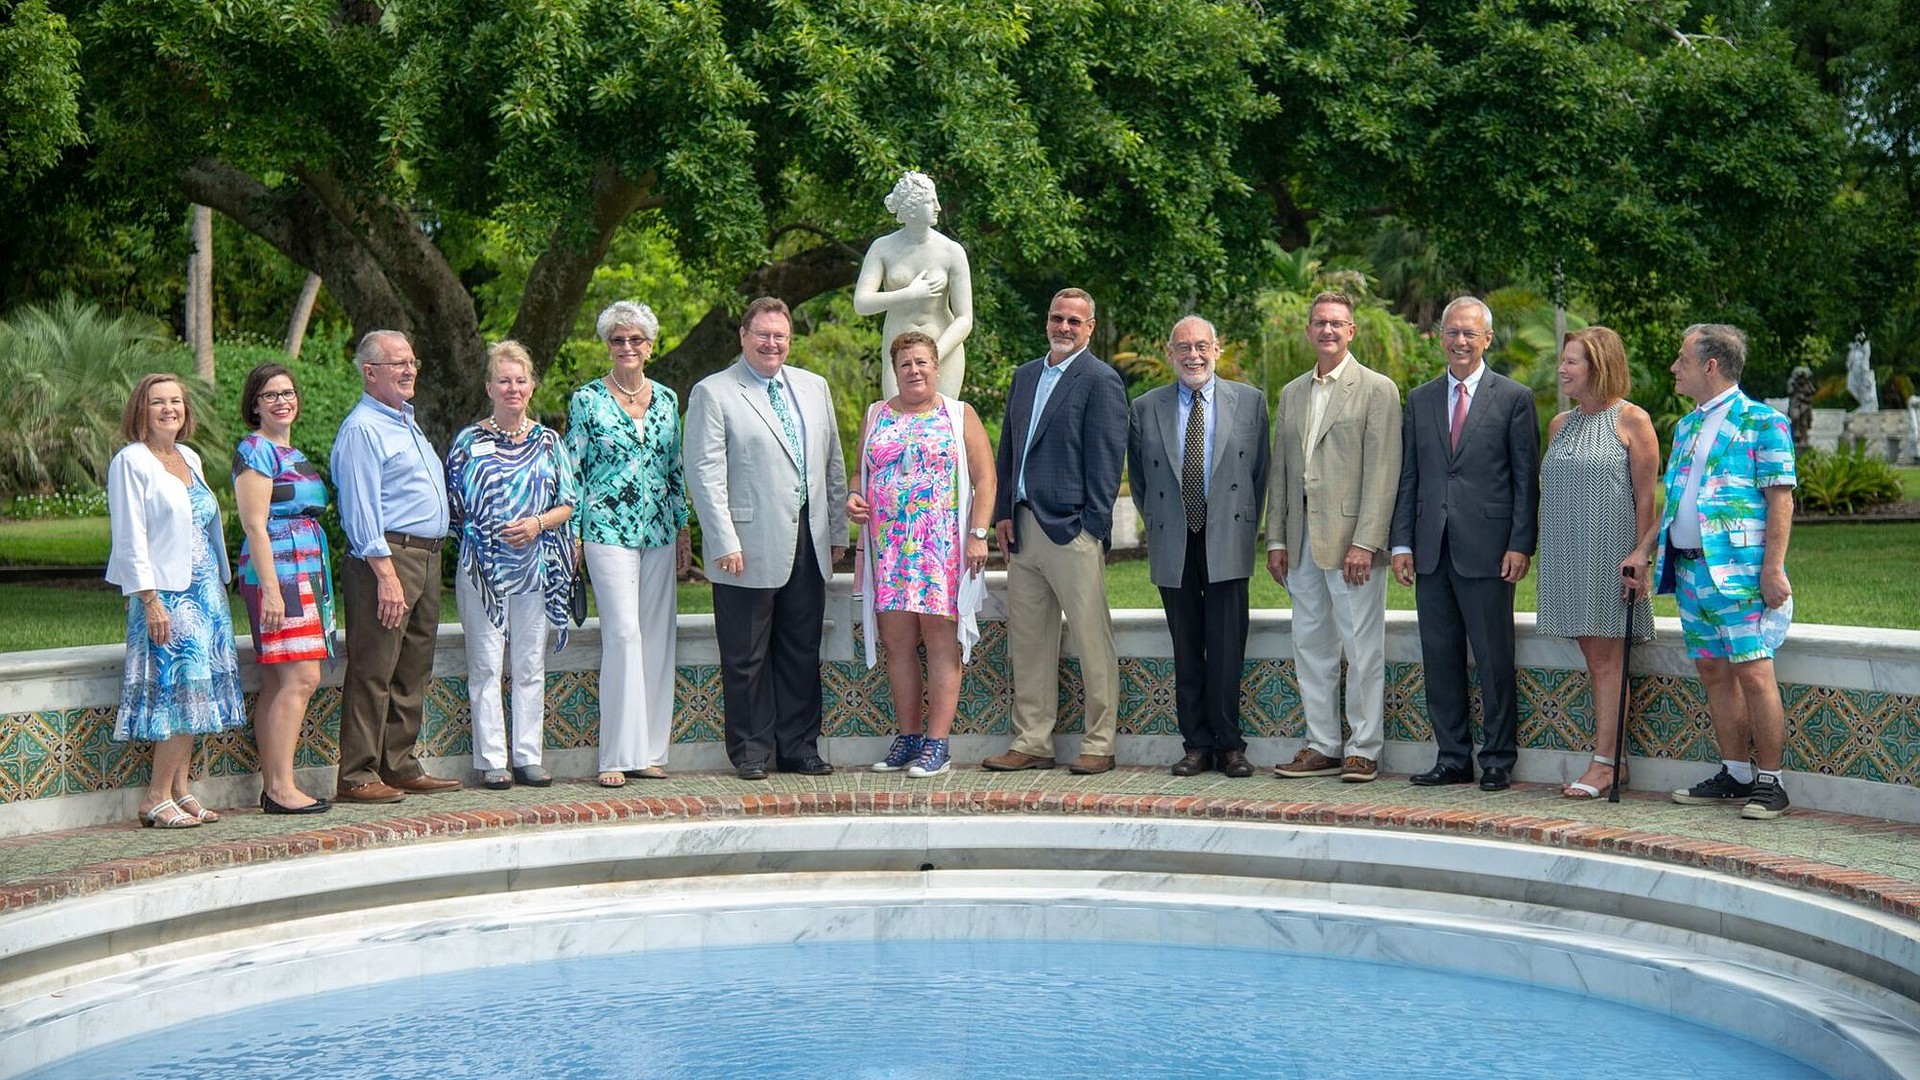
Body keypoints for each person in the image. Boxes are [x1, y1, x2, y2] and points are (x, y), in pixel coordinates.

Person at [1629, 323, 1798, 820]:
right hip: (1691, 573)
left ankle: (1772, 782)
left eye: (1681, 359)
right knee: (1713, 672)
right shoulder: (1686, 427)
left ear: (1710, 365)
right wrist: (1644, 549)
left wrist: (1773, 569)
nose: (1673, 368)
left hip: (1741, 576)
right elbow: (1678, 501)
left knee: (1754, 674)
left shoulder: (1764, 422)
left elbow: (1780, 499)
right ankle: (1735, 773)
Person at [684, 297, 849, 780]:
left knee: (801, 649)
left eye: (780, 335)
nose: (772, 343)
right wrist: (722, 541)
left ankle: (799, 747)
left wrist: (837, 529)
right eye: (763, 334)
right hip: (745, 545)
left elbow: (832, 463)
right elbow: (704, 472)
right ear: (743, 336)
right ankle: (752, 751)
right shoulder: (714, 393)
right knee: (746, 655)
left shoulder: (813, 387)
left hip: (809, 540)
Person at [1391, 296, 1540, 792]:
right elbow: (1410, 475)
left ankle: (1497, 758)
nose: (1460, 341)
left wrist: (1521, 544)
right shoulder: (1420, 399)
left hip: (1490, 551)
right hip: (1431, 551)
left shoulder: (1515, 398)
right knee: (1439, 657)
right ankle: (1452, 756)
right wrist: (1402, 544)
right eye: (1452, 332)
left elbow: (1525, 480)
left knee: (1494, 659)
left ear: (1487, 339)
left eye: (1469, 334)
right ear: (1440, 337)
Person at [984, 288, 1129, 775]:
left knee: (1091, 640)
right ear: (1047, 322)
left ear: (1089, 327)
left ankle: (1100, 743)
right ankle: (1032, 741)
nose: (1063, 327)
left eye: (1074, 321)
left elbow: (1107, 463)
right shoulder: (1025, 376)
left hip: (1072, 530)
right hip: (1022, 528)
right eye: (1056, 318)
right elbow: (1008, 446)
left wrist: (1092, 527)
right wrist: (1003, 511)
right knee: (1028, 641)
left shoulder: (1101, 380)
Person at [1268, 293, 1403, 784]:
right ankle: (1322, 744)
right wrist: (1276, 539)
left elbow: (1384, 471)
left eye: (1337, 323)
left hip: (1351, 544)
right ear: (1309, 330)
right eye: (1320, 323)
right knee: (1311, 644)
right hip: (1301, 540)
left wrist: (1366, 542)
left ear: (1352, 331)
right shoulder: (1291, 393)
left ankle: (1363, 748)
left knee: (1362, 646)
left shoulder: (1376, 389)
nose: (1327, 330)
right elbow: (1282, 472)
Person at [850, 331, 996, 778]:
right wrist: (855, 498)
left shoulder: (958, 415)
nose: (914, 370)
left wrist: (977, 534)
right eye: (905, 364)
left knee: (939, 644)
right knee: (897, 645)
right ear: (895, 371)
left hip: (942, 550)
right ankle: (909, 737)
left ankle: (938, 743)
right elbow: (860, 476)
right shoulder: (876, 414)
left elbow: (986, 479)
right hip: (889, 551)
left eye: (922, 362)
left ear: (937, 367)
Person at [1127, 316, 1268, 778]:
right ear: (1170, 353)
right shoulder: (1146, 407)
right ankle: (1196, 745)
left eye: (1202, 346)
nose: (1194, 355)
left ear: (1217, 349)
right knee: (1186, 649)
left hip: (1227, 535)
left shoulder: (1249, 402)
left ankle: (1230, 746)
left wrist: (1246, 526)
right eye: (1184, 347)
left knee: (1227, 648)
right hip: (1174, 538)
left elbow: (1260, 475)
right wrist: (1164, 523)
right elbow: (1142, 481)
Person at [106, 373, 247, 828]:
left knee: (196, 693)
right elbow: (130, 535)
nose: (169, 409)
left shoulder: (189, 456)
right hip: (166, 594)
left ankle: (180, 790)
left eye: (176, 401)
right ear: (140, 411)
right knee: (175, 691)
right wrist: (149, 600)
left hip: (205, 592)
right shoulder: (131, 462)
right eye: (157, 402)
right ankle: (154, 796)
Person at [330, 330, 461, 804]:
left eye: (412, 361)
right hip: (386, 560)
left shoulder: (406, 422)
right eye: (397, 364)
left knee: (412, 667)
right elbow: (361, 509)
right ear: (370, 372)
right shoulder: (363, 429)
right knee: (374, 666)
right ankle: (357, 775)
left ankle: (399, 764)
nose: (409, 371)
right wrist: (385, 575)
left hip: (425, 557)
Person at [568, 302, 691, 787]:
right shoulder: (587, 399)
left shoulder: (665, 399)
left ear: (650, 346)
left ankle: (649, 750)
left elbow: (675, 469)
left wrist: (684, 530)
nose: (627, 347)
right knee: (623, 635)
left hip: (659, 529)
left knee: (657, 637)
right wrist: (573, 533)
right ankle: (615, 755)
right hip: (605, 529)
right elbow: (572, 471)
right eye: (618, 339)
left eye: (635, 339)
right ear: (608, 345)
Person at [447, 341, 578, 791]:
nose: (513, 388)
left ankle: (528, 756)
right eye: (504, 380)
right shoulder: (468, 442)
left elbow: (568, 503)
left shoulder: (549, 441)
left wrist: (537, 524)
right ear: (489, 387)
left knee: (528, 665)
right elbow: (452, 506)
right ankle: (492, 760)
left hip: (537, 568)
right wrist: (485, 533)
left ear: (532, 386)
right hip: (482, 568)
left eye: (520, 380)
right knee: (485, 665)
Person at [1537, 326, 1658, 799]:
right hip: (1567, 557)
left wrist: (1639, 558)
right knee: (1595, 660)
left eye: (1572, 361)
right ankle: (1616, 759)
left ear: (1598, 366)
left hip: (1612, 557)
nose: (1562, 369)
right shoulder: (1559, 425)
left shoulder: (1633, 421)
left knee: (1609, 662)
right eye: (1563, 360)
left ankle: (1604, 765)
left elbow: (1646, 502)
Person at [233, 363, 333, 815]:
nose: (281, 401)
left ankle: (275, 785)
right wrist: (272, 591)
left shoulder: (290, 451)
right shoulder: (255, 450)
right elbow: (254, 525)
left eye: (287, 393)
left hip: (305, 570)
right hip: (280, 573)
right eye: (270, 395)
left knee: (278, 678)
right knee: (301, 677)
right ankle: (282, 788)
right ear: (254, 404)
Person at [852, 171, 975, 400]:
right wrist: (909, 293)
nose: (938, 206)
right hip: (898, 352)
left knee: (941, 424)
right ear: (912, 206)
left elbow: (965, 318)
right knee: (899, 423)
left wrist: (934, 354)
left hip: (942, 350)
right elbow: (862, 303)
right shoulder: (883, 248)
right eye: (930, 201)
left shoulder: (951, 251)